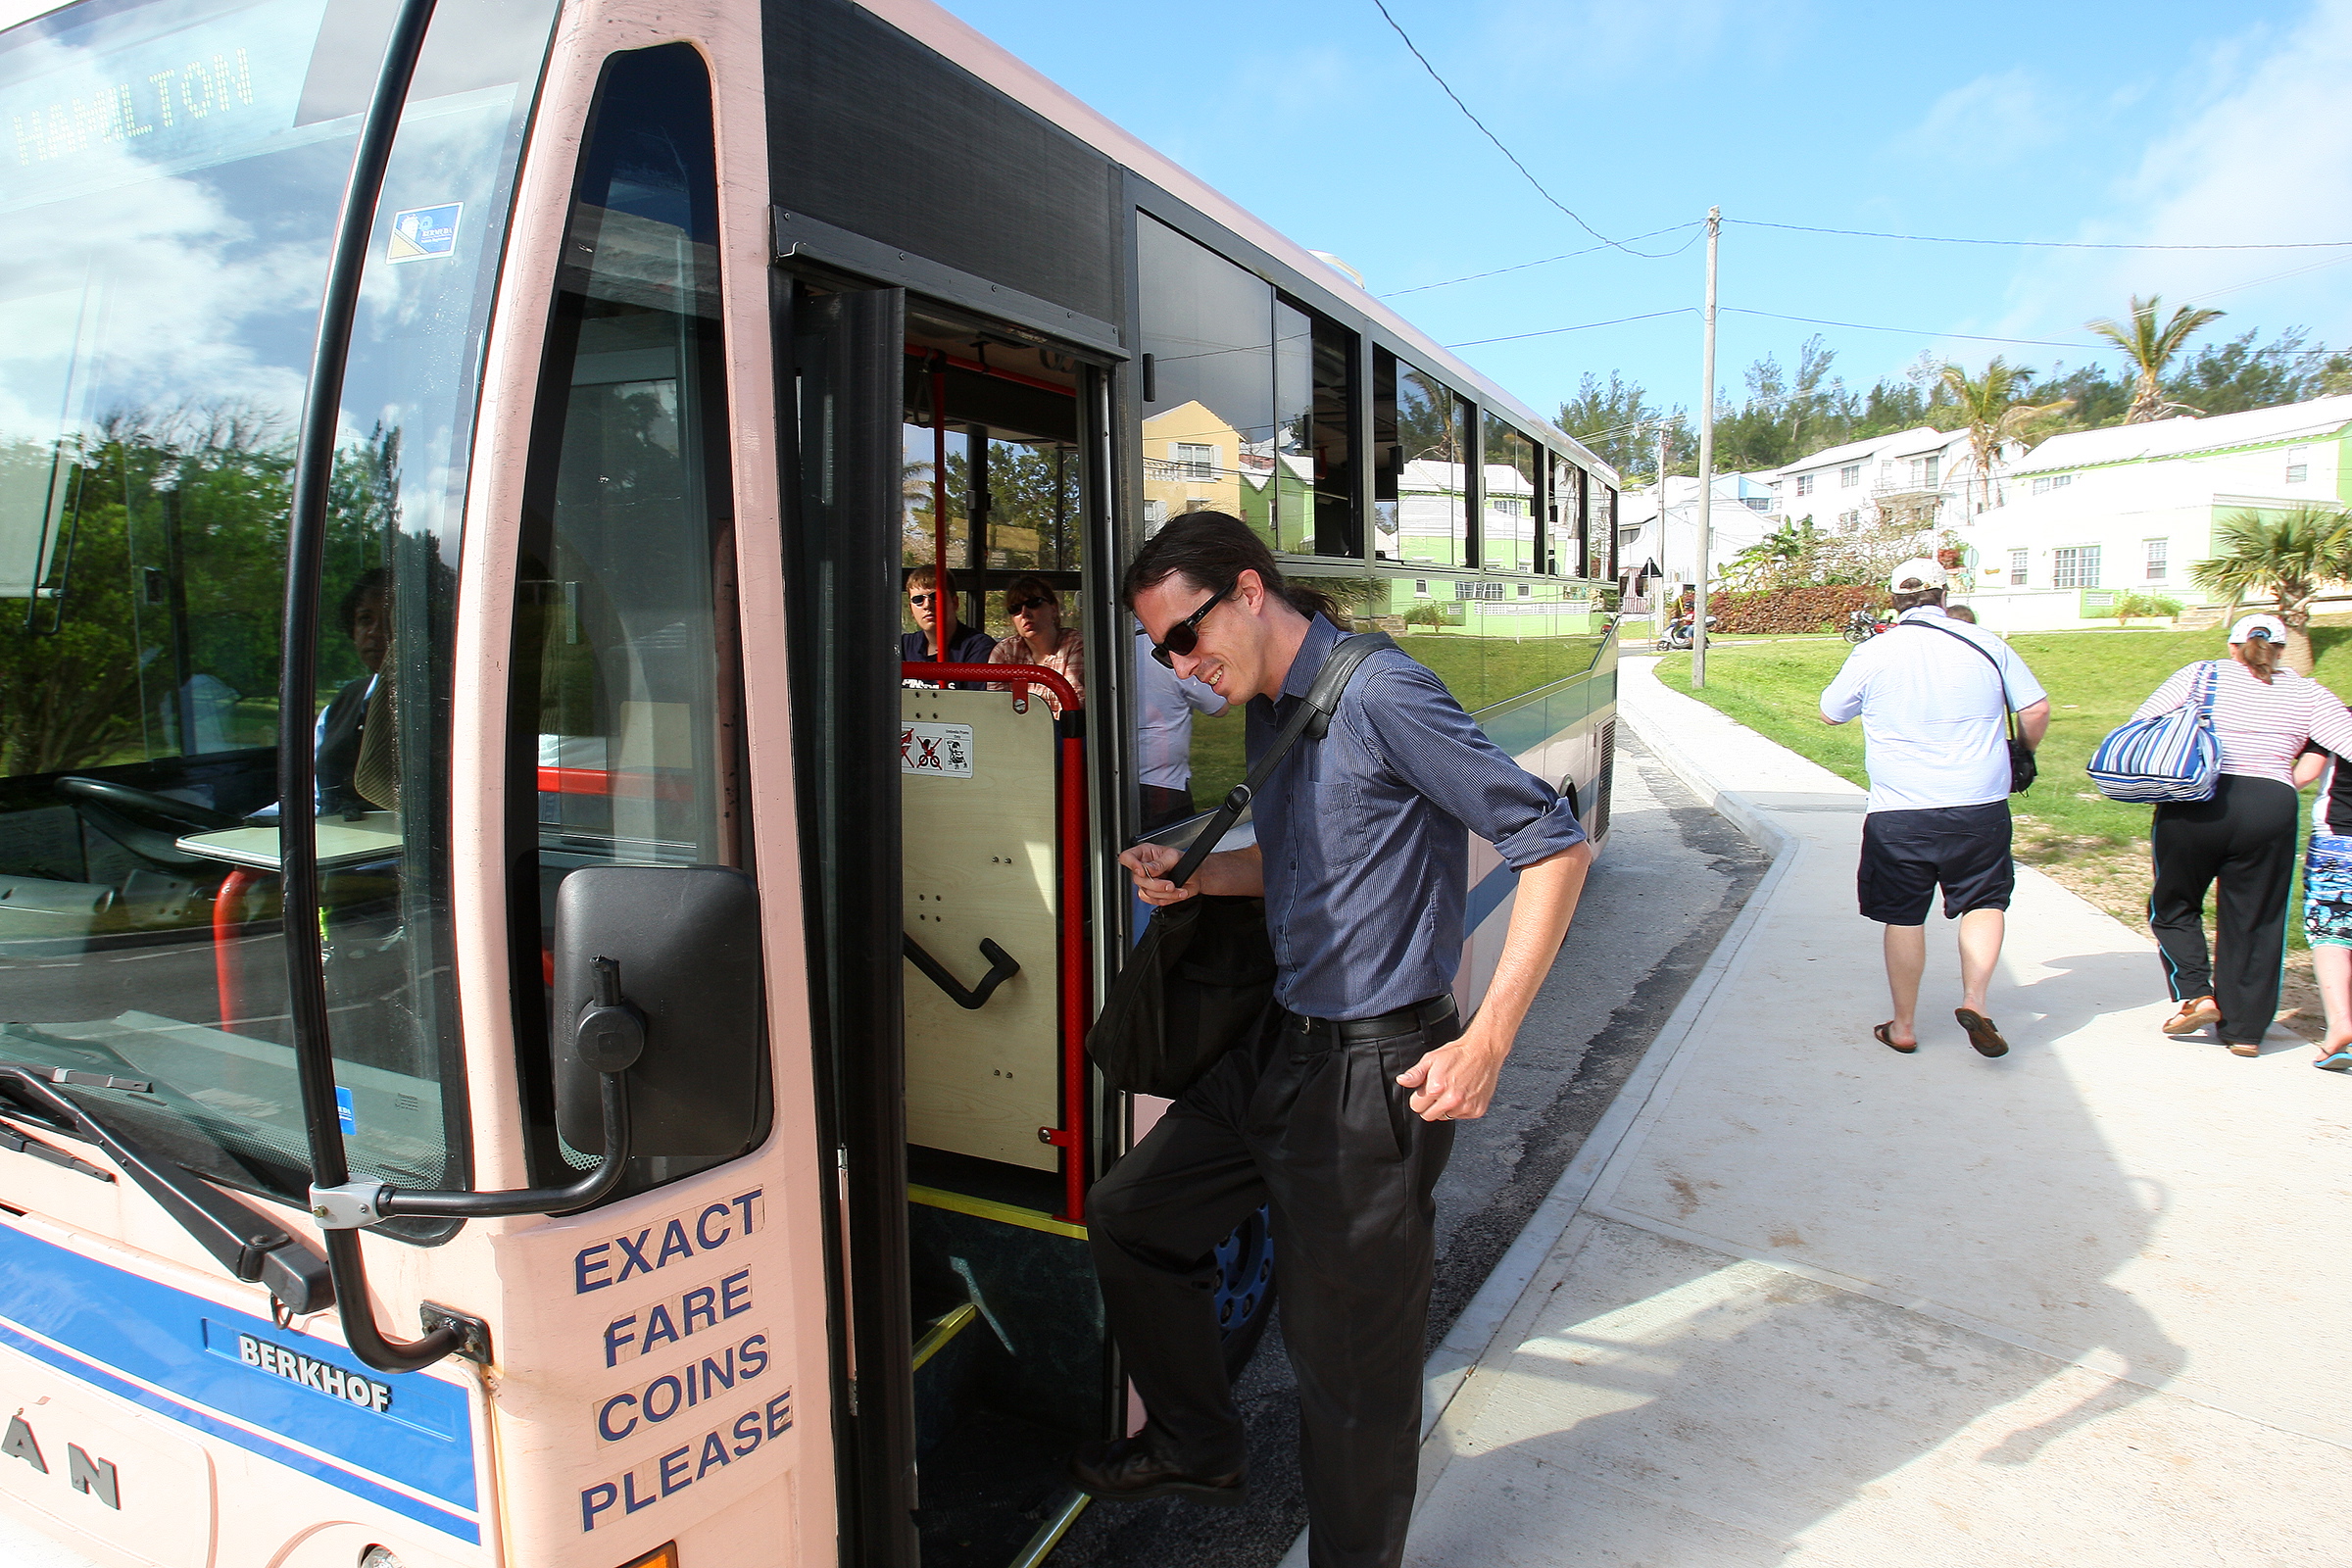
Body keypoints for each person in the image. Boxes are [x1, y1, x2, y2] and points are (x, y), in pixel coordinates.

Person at [1075, 512, 1593, 1568]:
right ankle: (1198, 1442)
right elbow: (1315, 851)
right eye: (1160, 649)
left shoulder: (1383, 694)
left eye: (1185, 636)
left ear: (1251, 591)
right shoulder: (1274, 703)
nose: (1179, 665)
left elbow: (1552, 841)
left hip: (1377, 1070)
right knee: (1133, 1214)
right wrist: (1202, 875)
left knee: (1350, 1376)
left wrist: (1490, 1037)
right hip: (1286, 1043)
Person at [1821, 558, 2050, 1057]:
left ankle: (1903, 1026)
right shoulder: (1987, 644)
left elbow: (1831, 711)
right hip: (1979, 804)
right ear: (1944, 596)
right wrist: (2022, 754)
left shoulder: (1874, 651)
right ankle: (1977, 1002)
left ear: (1894, 602)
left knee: (1904, 915)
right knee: (1985, 902)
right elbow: (2035, 709)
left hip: (1899, 810)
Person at [2133, 613, 2352, 1055]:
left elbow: (2143, 723)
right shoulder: (2309, 693)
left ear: (2234, 645)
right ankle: (2245, 1032)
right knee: (2256, 917)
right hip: (2272, 804)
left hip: (2199, 799)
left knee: (2173, 902)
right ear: (2280, 650)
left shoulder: (2201, 675)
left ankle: (2196, 993)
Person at [2292, 737, 2352, 1070]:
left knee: (2332, 935)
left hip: (2338, 842)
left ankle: (2342, 1024)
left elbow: (2305, 774)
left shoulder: (2337, 721)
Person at [1133, 623, 1228, 831]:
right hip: (1164, 787)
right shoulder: (1169, 653)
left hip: (1113, 781)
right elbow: (1219, 705)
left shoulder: (1108, 649)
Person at [317, 567, 390, 816]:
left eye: (391, 619)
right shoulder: (340, 705)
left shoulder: (447, 704)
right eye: (365, 619)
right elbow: (314, 795)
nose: (375, 632)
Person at [986, 573, 1084, 711]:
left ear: (1054, 609)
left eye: (1033, 603)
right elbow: (996, 707)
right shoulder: (1005, 651)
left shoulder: (1075, 644)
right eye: (1015, 609)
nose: (1024, 613)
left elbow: (1074, 706)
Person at [899, 564, 994, 687]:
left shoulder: (977, 647)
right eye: (918, 600)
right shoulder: (904, 646)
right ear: (911, 609)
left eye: (936, 597)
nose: (927, 605)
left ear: (955, 603)